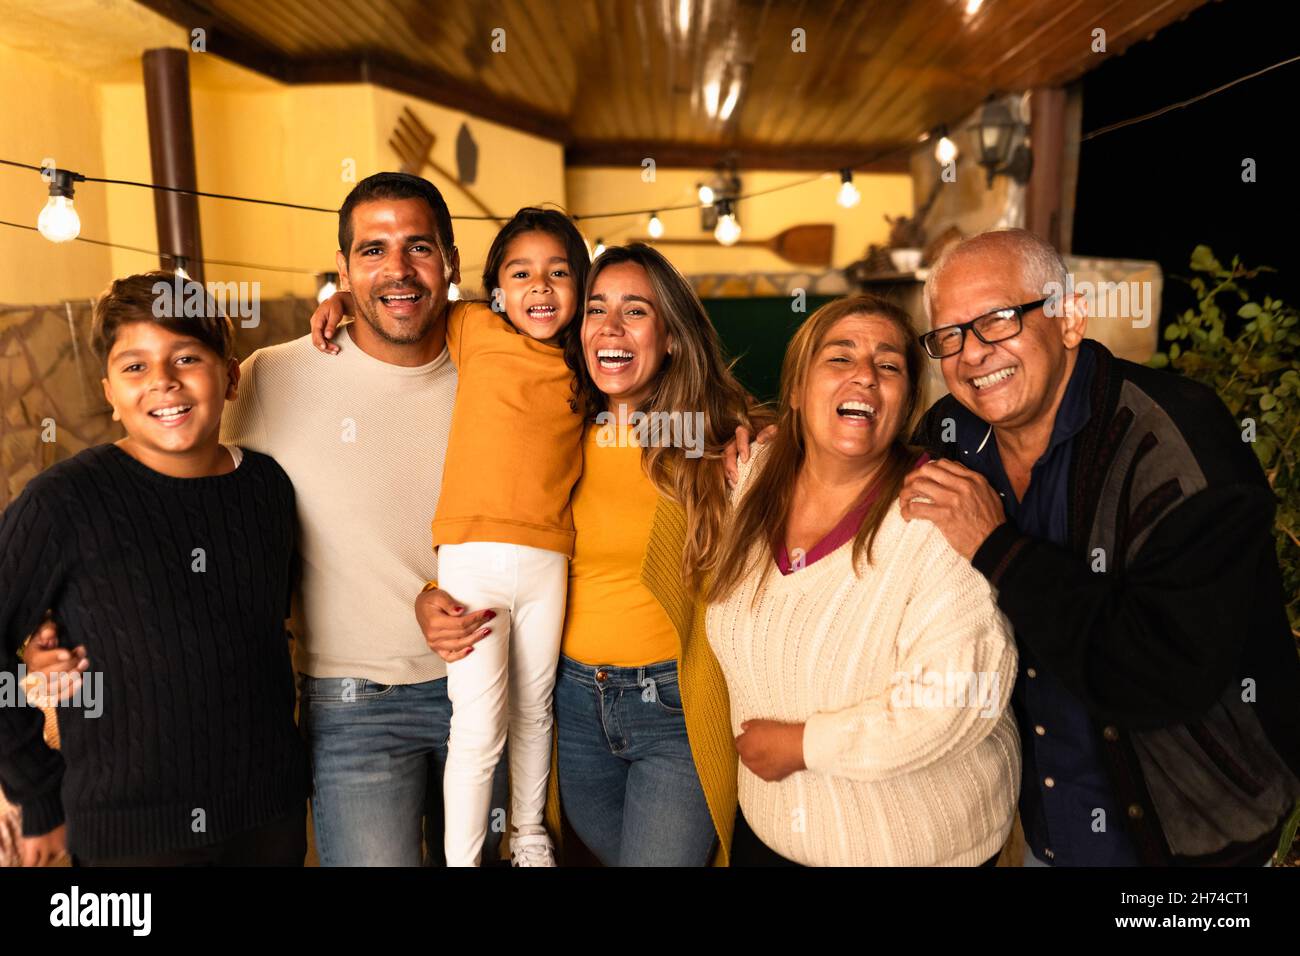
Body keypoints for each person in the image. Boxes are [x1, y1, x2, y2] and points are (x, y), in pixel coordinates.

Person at [903, 228, 1300, 866]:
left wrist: (997, 546)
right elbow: (863, 484)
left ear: (1069, 317)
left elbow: (1161, 672)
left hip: (1191, 842)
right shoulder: (952, 432)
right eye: (949, 335)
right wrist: (768, 447)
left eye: (998, 320)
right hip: (1044, 834)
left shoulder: (1178, 439)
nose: (972, 354)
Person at [418, 243, 759, 865]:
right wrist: (428, 593)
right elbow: (488, 520)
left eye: (635, 312)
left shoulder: (708, 441)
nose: (610, 327)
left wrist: (771, 430)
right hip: (572, 708)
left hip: (672, 709)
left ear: (673, 337)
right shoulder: (565, 427)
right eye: (597, 308)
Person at [222, 172, 506, 866]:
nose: (399, 270)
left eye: (419, 247)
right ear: (344, 271)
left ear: (452, 262)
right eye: (373, 251)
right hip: (354, 707)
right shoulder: (273, 378)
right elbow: (176, 486)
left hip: (488, 685)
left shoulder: (500, 373)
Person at [308, 207, 590, 866]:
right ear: (494, 290)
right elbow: (404, 297)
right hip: (473, 559)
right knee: (478, 725)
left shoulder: (589, 365)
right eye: (521, 273)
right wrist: (342, 296)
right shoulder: (473, 326)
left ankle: (526, 835)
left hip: (551, 559)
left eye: (558, 274)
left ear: (582, 287)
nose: (540, 289)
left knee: (535, 707)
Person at [0, 272, 308, 866]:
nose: (163, 381)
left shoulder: (268, 489)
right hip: (129, 839)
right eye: (135, 366)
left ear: (231, 376)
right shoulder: (61, 502)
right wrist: (38, 793)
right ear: (109, 394)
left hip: (269, 818)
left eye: (186, 357)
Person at [706, 295, 1020, 866]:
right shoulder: (750, 478)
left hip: (915, 850)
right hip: (770, 835)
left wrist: (805, 745)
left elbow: (962, 695)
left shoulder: (935, 510)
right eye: (839, 358)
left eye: (889, 366)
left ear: (905, 405)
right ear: (797, 392)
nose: (865, 378)